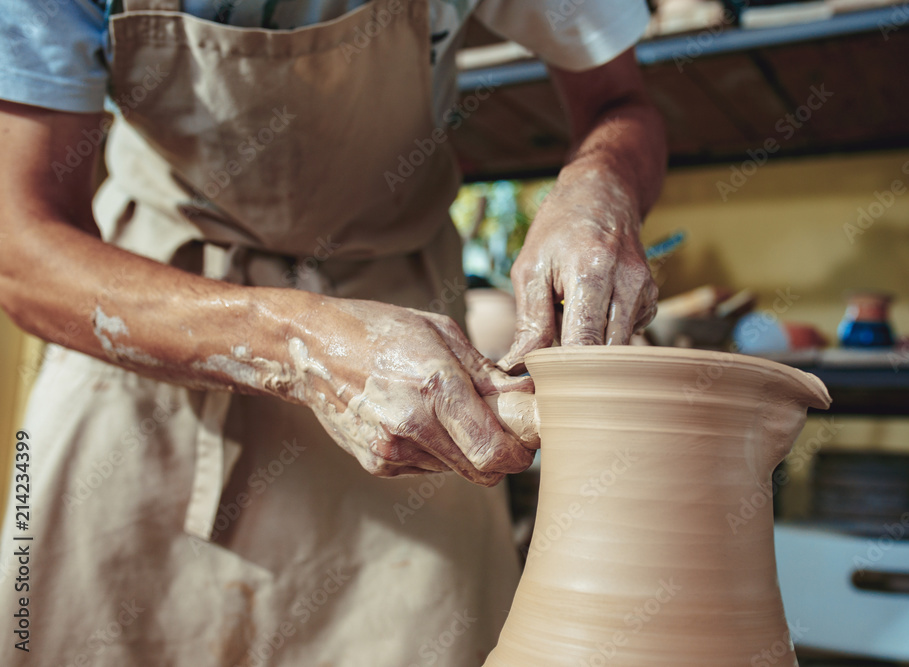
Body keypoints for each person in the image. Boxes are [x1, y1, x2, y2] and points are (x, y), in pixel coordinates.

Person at [0, 0, 666, 664]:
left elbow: (620, 100)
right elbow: (20, 247)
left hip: (408, 330)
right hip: (150, 307)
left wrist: (601, 179)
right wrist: (296, 343)